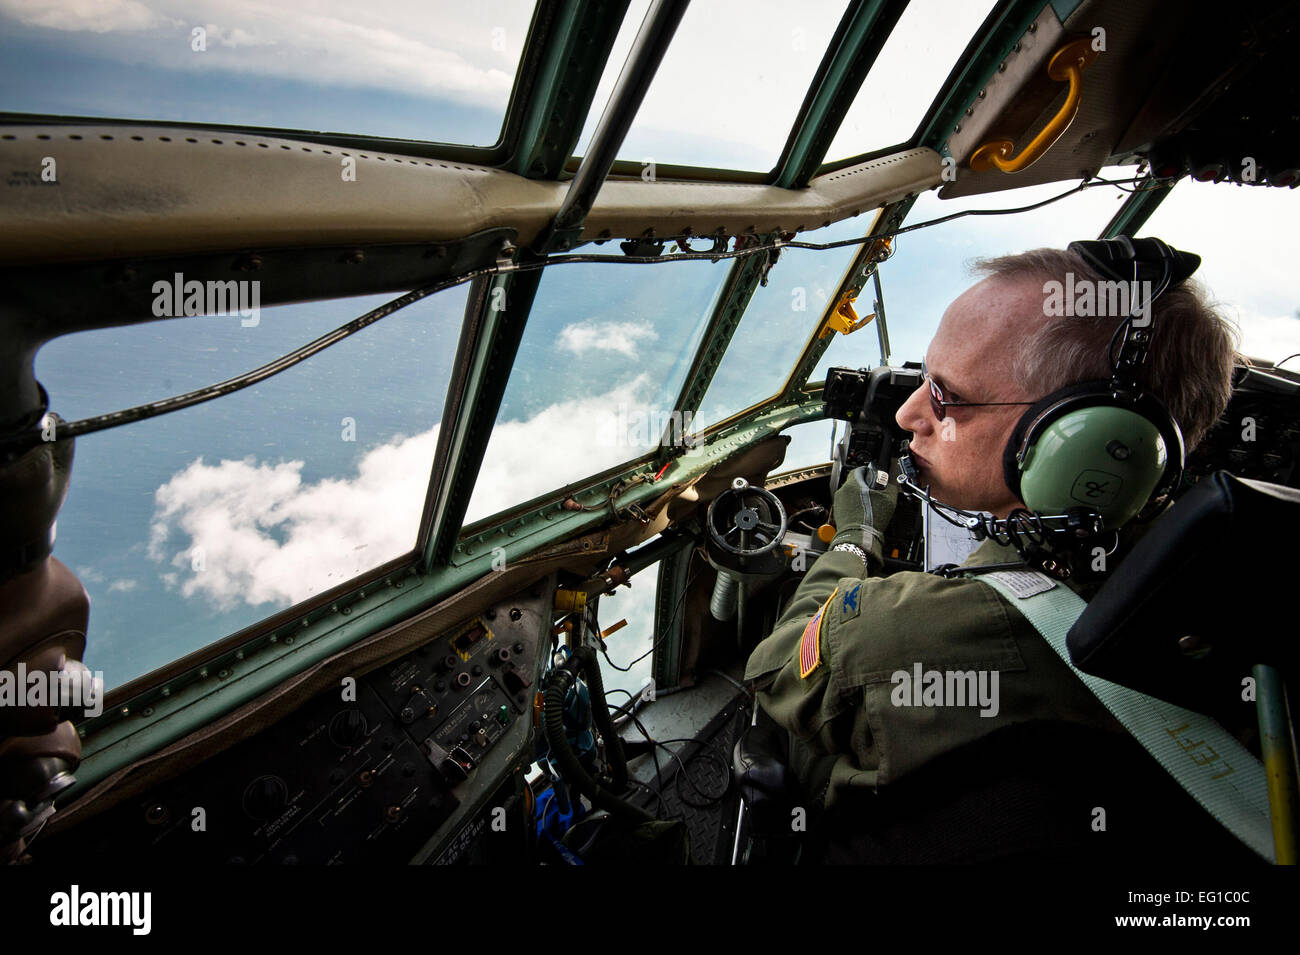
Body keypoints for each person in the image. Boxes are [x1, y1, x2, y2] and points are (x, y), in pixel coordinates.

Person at [744, 243, 1242, 861]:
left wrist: (854, 538)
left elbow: (777, 669)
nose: (907, 414)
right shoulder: (1233, 570)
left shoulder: (901, 633)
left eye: (945, 397)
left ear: (1083, 442)